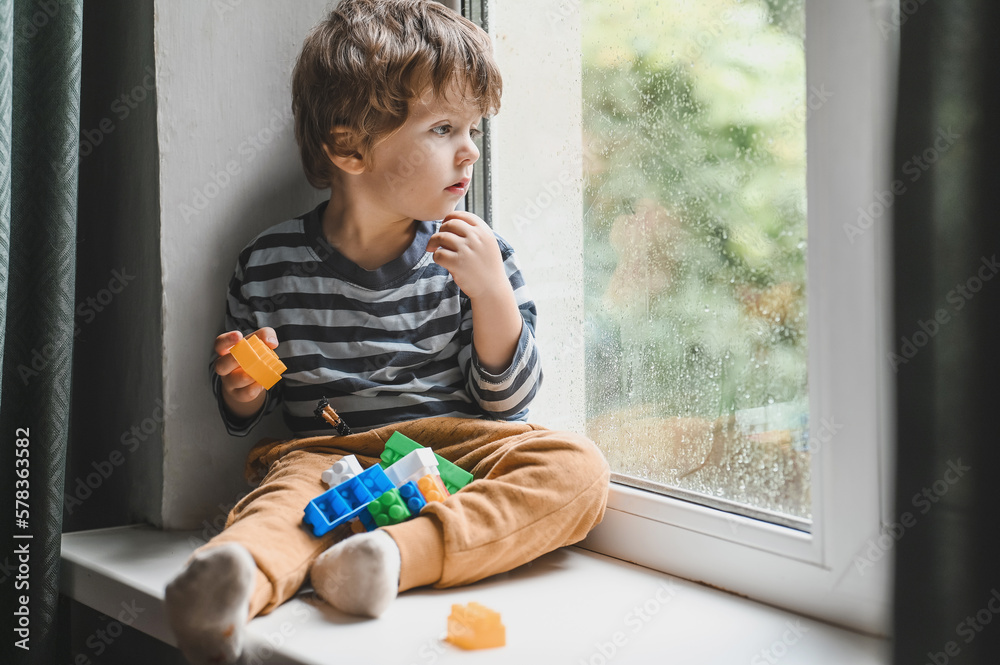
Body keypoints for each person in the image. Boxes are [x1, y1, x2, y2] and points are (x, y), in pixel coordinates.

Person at [163, 1, 610, 663]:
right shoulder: (270, 263)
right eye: (443, 129)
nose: (470, 150)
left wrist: (490, 293)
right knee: (278, 507)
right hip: (322, 452)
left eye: (475, 127)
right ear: (349, 147)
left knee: (576, 467)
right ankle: (231, 582)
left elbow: (507, 404)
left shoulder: (478, 253)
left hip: (451, 452)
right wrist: (239, 386)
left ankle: (388, 559)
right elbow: (245, 413)